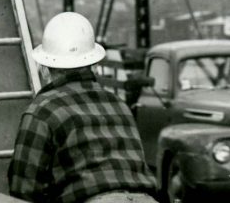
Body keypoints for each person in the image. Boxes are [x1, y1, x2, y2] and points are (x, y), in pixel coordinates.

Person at [9, 11, 158, 203]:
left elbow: (23, 190)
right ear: (93, 65)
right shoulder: (119, 105)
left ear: (45, 70)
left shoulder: (42, 111)